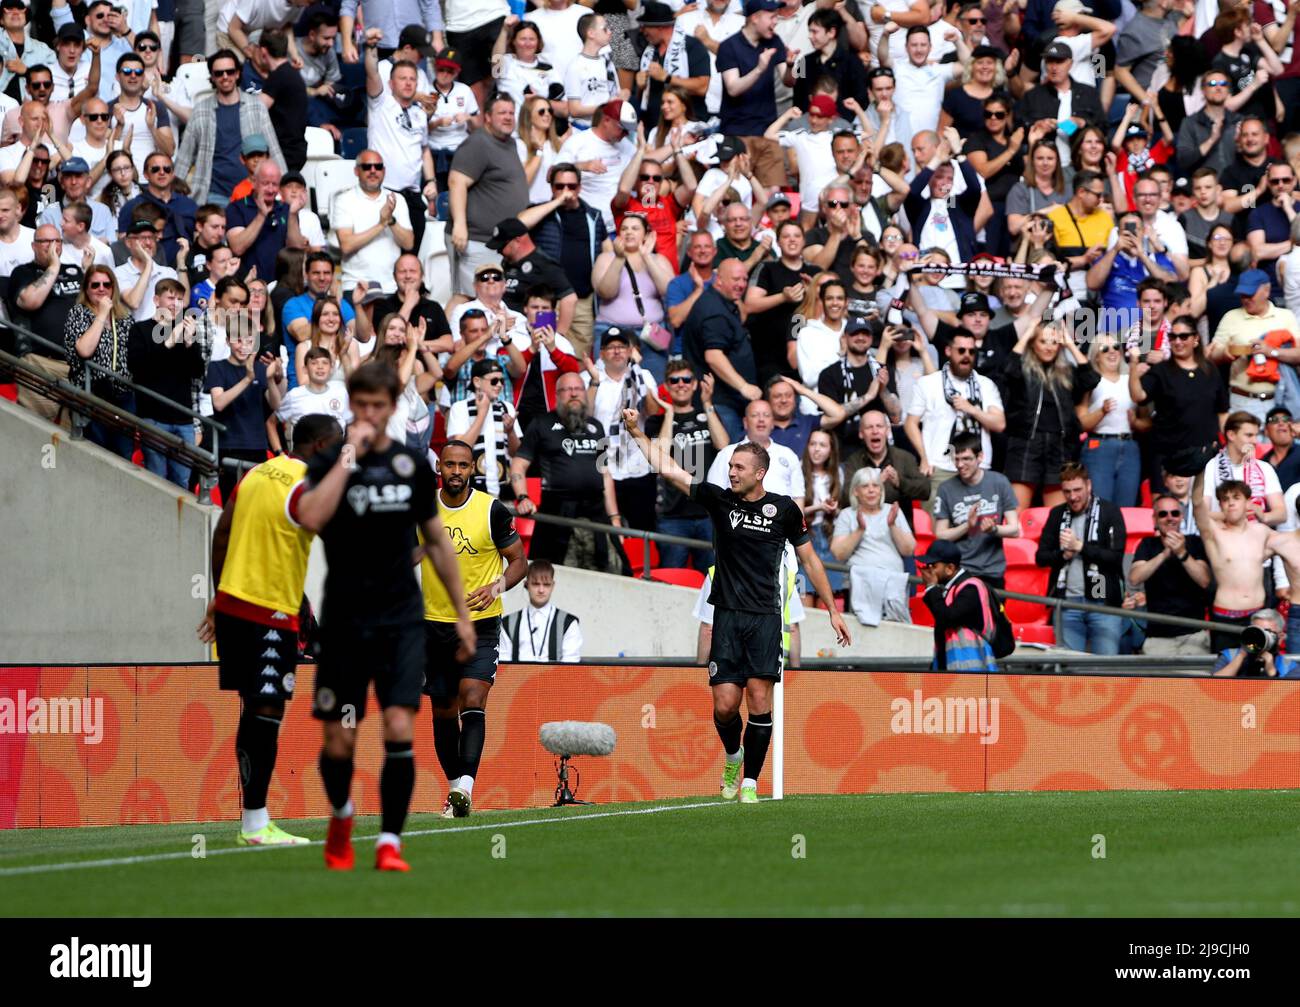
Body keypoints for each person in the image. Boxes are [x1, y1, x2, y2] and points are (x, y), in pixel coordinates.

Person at [290, 362, 475, 872]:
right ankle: (343, 815)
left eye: (379, 405)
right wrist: (348, 457)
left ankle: (389, 842)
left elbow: (436, 540)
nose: (370, 413)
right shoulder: (329, 461)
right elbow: (310, 517)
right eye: (362, 405)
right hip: (346, 619)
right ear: (351, 406)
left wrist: (461, 615)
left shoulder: (411, 466)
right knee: (339, 736)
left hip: (400, 619)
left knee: (398, 726)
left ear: (392, 408)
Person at [623, 409, 849, 804]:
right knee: (726, 705)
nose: (731, 472)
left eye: (739, 467)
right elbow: (670, 469)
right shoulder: (719, 500)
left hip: (764, 619)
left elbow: (811, 560)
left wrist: (830, 608)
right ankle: (733, 755)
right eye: (730, 466)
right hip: (725, 615)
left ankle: (749, 783)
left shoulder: (784, 510)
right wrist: (635, 432)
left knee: (759, 700)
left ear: (759, 473)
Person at [196, 412, 343, 847]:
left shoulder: (257, 473)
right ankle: (256, 825)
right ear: (319, 447)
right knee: (267, 713)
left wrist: (220, 596)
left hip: (237, 607)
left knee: (254, 710)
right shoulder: (307, 485)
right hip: (268, 614)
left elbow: (223, 532)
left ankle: (253, 819)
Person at [421, 438, 528, 818]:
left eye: (463, 466)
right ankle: (455, 791)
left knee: (472, 698)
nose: (455, 472)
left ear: (473, 469)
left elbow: (519, 562)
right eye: (449, 465)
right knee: (443, 710)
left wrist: (496, 586)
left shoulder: (491, 510)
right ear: (439, 469)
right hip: (433, 626)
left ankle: (466, 785)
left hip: (480, 624)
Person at [510, 371, 623, 570]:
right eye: (567, 389)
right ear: (557, 395)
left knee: (608, 573)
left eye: (578, 389)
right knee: (552, 574)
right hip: (556, 513)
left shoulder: (596, 427)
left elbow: (605, 475)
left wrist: (614, 518)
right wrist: (523, 497)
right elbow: (519, 464)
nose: (573, 394)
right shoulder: (541, 424)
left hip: (595, 515)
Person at [904, 328, 1007, 505]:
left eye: (971, 351)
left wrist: (972, 409)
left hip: (978, 468)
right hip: (940, 467)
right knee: (937, 530)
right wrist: (924, 458)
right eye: (961, 350)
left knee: (979, 529)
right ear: (948, 351)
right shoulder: (928, 383)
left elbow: (999, 424)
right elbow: (910, 423)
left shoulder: (985, 385)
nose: (966, 355)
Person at [1035, 463, 1127, 655]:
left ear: (1089, 485)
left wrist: (1080, 547)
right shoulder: (1057, 514)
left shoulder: (1109, 511)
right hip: (1068, 603)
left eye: (1077, 490)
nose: (1073, 496)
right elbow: (1041, 558)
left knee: (1105, 667)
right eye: (1067, 491)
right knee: (1071, 670)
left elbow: (1115, 557)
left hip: (1101, 599)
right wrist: (1063, 555)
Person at [1001, 321, 1095, 510]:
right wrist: (1028, 333)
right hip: (1026, 445)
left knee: (1057, 517)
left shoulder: (1066, 372)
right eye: (1043, 341)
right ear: (1033, 343)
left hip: (1059, 447)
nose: (1049, 347)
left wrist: (1069, 343)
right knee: (1016, 516)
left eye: (1054, 342)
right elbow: (1008, 368)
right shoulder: (1023, 370)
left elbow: (1091, 379)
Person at [645, 359, 729, 570]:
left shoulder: (707, 415)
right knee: (672, 580)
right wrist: (670, 414)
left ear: (694, 384)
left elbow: (724, 446)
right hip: (673, 516)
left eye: (686, 379)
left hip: (708, 513)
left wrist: (708, 403)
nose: (680, 384)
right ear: (666, 386)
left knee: (712, 581)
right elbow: (660, 458)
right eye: (674, 380)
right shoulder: (656, 422)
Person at [173, 49, 286, 207]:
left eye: (230, 72)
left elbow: (273, 150)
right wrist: (170, 194)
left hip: (252, 192)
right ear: (212, 77)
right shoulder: (201, 110)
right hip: (213, 195)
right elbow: (185, 157)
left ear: (238, 74)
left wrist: (285, 187)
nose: (225, 77)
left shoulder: (256, 107)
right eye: (219, 73)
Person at [579, 325, 663, 532]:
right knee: (606, 533)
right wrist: (594, 382)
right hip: (603, 468)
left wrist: (637, 372)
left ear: (630, 350)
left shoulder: (643, 375)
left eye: (621, 346)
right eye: (610, 347)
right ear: (602, 354)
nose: (616, 351)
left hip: (638, 468)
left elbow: (652, 410)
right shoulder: (588, 377)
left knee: (643, 531)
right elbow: (584, 419)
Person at [1128, 315, 1227, 489]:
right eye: (1172, 337)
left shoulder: (1210, 370)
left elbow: (1222, 410)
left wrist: (1223, 444)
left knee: (1202, 504)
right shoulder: (1161, 371)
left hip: (1204, 453)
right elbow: (1138, 396)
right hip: (1168, 455)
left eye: (1183, 336)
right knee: (1165, 508)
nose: (1177, 342)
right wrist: (1133, 365)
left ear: (1196, 339)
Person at [448, 92, 529, 300]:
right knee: (466, 297)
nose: (508, 117)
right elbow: (457, 181)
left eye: (511, 113)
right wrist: (459, 224)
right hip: (475, 239)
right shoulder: (479, 143)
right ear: (487, 117)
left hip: (497, 242)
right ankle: (450, 333)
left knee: (489, 300)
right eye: (502, 112)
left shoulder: (508, 142)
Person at [362, 28, 436, 254]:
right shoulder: (381, 103)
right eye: (402, 79)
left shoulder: (419, 113)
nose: (408, 83)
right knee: (384, 254)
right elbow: (372, 73)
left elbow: (424, 148)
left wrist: (431, 180)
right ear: (391, 83)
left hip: (413, 195)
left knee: (412, 256)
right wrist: (371, 47)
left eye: (412, 79)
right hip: (385, 192)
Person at [128, 278, 205, 487]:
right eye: (170, 298)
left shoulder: (186, 332)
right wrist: (170, 341)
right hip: (153, 417)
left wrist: (190, 344)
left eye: (180, 299)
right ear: (156, 300)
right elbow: (139, 369)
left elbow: (197, 373)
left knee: (182, 481)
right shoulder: (140, 330)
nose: (175, 304)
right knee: (156, 479)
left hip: (184, 419)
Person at [6, 222, 82, 424]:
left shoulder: (75, 271)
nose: (53, 246)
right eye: (46, 241)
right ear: (34, 246)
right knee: (36, 430)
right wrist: (54, 266)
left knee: (72, 438)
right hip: (41, 362)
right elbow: (30, 301)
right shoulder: (23, 273)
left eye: (57, 241)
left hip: (77, 365)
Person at [204, 323, 287, 503]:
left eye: (249, 341)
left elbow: (276, 404)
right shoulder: (217, 367)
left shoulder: (260, 368)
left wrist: (272, 378)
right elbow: (218, 403)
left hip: (257, 445)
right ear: (228, 341)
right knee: (232, 504)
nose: (243, 346)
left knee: (255, 503)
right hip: (229, 445)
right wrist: (248, 379)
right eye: (238, 340)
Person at [680, 257, 759, 442]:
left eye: (744, 279)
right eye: (735, 279)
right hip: (721, 403)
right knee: (730, 459)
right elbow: (714, 356)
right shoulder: (714, 312)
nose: (741, 285)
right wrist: (743, 386)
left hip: (726, 402)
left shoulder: (720, 302)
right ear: (719, 279)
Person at [1208, 269, 1300, 423]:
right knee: (1246, 448)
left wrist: (1272, 351)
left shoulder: (1285, 317)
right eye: (1243, 294)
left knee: (1276, 447)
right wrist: (1225, 353)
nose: (1246, 299)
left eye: (1250, 294)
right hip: (1243, 401)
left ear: (1266, 290)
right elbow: (1210, 355)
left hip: (1279, 401)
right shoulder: (1231, 317)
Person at [63, 263, 136, 458]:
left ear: (114, 288)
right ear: (86, 289)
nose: (102, 289)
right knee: (95, 453)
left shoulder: (125, 318)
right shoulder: (79, 313)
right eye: (95, 285)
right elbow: (84, 350)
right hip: (92, 393)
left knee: (122, 455)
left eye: (107, 284)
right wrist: (102, 314)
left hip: (123, 396)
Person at [1128, 493, 1213, 655]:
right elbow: (1134, 578)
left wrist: (1182, 553)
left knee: (1197, 680)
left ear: (1181, 517)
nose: (1169, 518)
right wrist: (1164, 554)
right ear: (1154, 519)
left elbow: (1205, 581)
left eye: (1174, 513)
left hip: (1193, 636)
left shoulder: (1194, 542)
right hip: (1158, 637)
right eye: (1163, 514)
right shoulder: (1148, 544)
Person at [932, 434, 1020, 590]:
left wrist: (993, 529)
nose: (960, 465)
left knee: (990, 614)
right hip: (960, 571)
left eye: (966, 459)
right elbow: (940, 534)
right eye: (956, 459)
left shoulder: (999, 482)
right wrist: (968, 525)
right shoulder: (946, 489)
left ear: (980, 457)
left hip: (992, 571)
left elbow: (1015, 530)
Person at [831, 466, 916, 625]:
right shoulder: (847, 515)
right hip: (859, 586)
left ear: (881, 489)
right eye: (865, 486)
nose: (871, 490)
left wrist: (892, 525)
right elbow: (838, 553)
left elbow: (909, 549)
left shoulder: (893, 511)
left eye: (875, 486)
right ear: (856, 491)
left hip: (892, 583)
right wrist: (859, 530)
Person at [333, 151, 414, 297]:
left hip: (391, 288)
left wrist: (391, 221)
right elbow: (346, 245)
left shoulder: (397, 200)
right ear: (356, 171)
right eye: (367, 167)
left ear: (383, 171)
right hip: (356, 286)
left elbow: (408, 243)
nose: (373, 171)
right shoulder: (344, 200)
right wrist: (381, 224)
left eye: (377, 166)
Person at [1077, 333, 1141, 508]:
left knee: (1127, 508)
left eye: (1116, 347)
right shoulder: (1090, 381)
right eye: (1105, 349)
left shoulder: (1131, 380)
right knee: (1099, 506)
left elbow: (1147, 422)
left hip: (1130, 447)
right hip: (1099, 446)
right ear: (1096, 356)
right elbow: (1080, 423)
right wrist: (1101, 412)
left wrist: (1136, 423)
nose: (1112, 352)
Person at [555, 98, 638, 231]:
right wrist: (582, 166)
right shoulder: (578, 142)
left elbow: (647, 161)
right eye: (622, 129)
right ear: (606, 120)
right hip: (588, 223)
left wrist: (675, 148)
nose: (625, 134)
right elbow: (552, 174)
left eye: (628, 131)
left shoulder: (626, 145)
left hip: (620, 224)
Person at [916, 539, 999, 671]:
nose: (929, 571)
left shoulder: (971, 588)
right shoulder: (952, 587)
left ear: (950, 568)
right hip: (953, 666)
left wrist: (931, 587)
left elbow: (946, 618)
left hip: (970, 670)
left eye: (933, 566)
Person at [445, 358, 523, 497]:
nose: (499, 385)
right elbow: (460, 449)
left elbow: (517, 454)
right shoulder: (460, 408)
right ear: (477, 382)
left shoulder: (507, 407)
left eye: (502, 381)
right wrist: (482, 414)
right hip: (471, 491)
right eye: (494, 381)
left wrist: (510, 432)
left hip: (505, 490)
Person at [226, 159, 311, 286]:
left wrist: (292, 215)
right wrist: (261, 215)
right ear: (254, 182)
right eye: (266, 183)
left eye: (275, 184)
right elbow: (237, 247)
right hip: (247, 286)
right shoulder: (237, 208)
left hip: (279, 286)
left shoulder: (285, 209)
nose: (271, 190)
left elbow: (296, 250)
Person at [1199, 411, 1286, 525]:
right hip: (1221, 537)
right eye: (1249, 435)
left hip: (1257, 537)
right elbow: (1201, 513)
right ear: (1231, 435)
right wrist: (1234, 515)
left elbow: (1282, 514)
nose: (1255, 441)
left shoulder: (1264, 468)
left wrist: (1263, 516)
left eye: (1256, 435)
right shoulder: (1211, 466)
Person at [116, 152, 195, 263]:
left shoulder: (189, 205)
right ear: (146, 174)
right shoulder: (131, 206)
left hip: (185, 269)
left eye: (167, 169)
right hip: (146, 270)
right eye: (155, 169)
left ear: (173, 173)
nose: (162, 172)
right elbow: (123, 245)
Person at [499, 560, 584, 662]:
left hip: (555, 678)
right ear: (526, 584)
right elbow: (504, 663)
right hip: (518, 678)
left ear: (553, 585)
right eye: (535, 584)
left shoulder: (569, 623)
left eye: (546, 584)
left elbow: (571, 664)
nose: (541, 590)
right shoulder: (507, 623)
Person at [275, 346, 352, 449]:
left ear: (331, 368)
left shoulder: (341, 393)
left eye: (325, 363)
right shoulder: (294, 395)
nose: (320, 367)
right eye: (314, 363)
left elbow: (352, 425)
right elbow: (271, 422)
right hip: (304, 461)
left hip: (333, 458)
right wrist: (279, 451)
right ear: (305, 369)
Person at [1212, 608, 1300, 677]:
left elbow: (1288, 697)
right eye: (1257, 631)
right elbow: (1213, 685)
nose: (1261, 637)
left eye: (1267, 632)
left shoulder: (1289, 666)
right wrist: (1240, 656)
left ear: (1280, 637)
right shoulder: (1230, 655)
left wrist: (1272, 671)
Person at [1262, 405, 1300, 491]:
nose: (1281, 423)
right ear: (1266, 431)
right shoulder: (1262, 464)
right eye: (1274, 420)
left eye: (1286, 419)